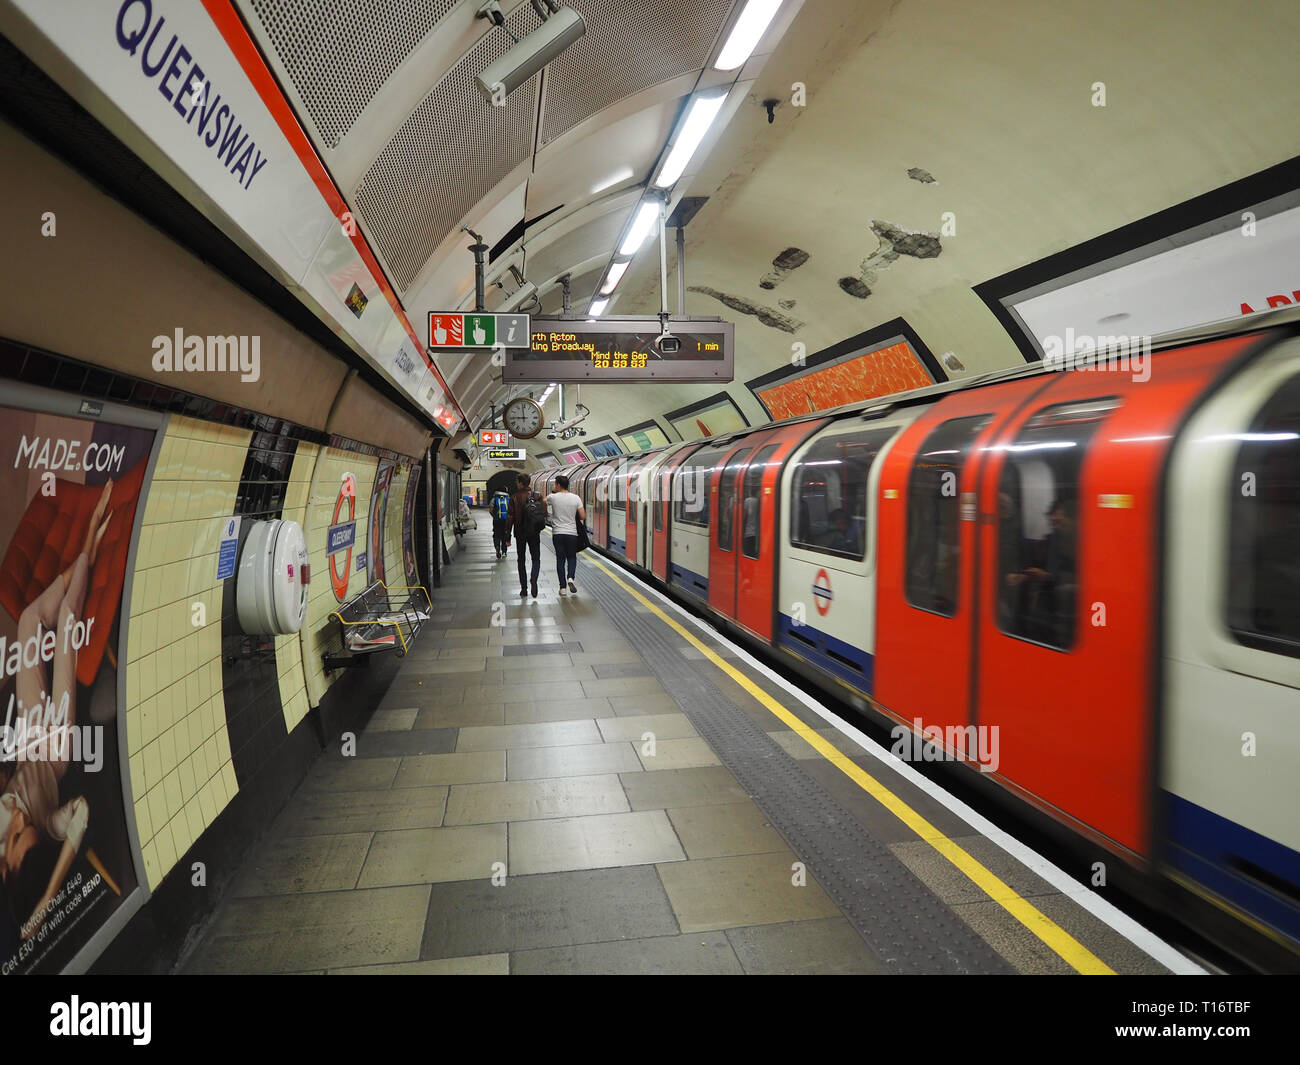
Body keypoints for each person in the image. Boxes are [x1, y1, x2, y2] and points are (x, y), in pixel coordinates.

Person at [547, 474, 586, 596]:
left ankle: (562, 588)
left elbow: (542, 502)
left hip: (558, 533)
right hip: (572, 534)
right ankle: (570, 577)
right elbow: (583, 516)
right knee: (571, 557)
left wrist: (553, 494)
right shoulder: (576, 498)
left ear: (558, 485)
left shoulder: (552, 497)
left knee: (560, 559)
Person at [507, 473, 543, 598]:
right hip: (534, 532)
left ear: (521, 483)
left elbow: (510, 518)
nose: (516, 484)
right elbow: (542, 514)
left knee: (521, 560)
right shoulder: (537, 496)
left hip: (520, 533)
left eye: (517, 482)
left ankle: (524, 589)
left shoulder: (515, 497)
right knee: (536, 558)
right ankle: (534, 577)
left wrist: (507, 537)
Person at [489, 489, 511, 559]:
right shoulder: (508, 499)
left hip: (497, 521)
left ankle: (497, 547)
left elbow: (491, 510)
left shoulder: (494, 499)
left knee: (496, 534)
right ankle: (504, 551)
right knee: (505, 534)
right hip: (506, 521)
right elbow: (511, 510)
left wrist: (494, 516)